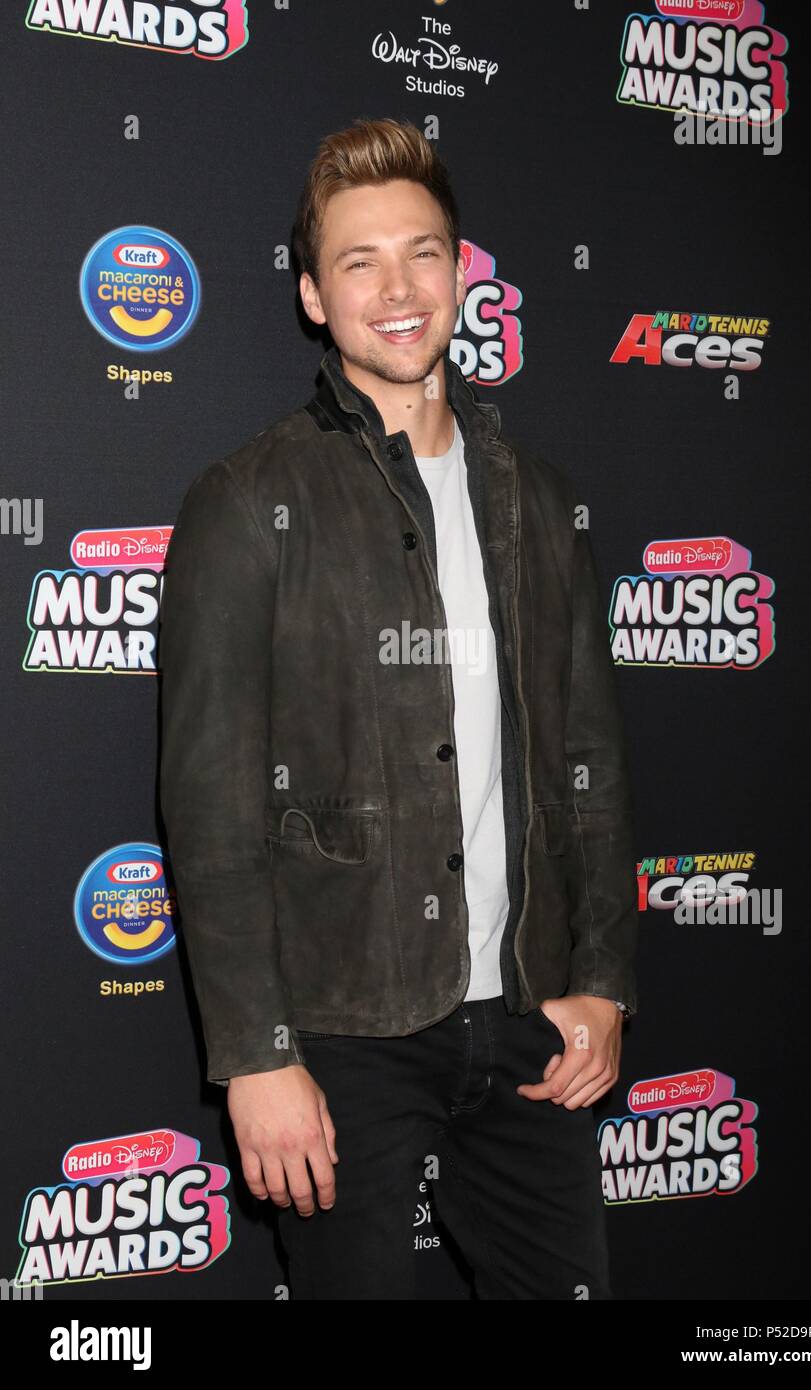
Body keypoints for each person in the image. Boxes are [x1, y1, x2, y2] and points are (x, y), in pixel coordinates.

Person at [158, 117, 639, 1300]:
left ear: (461, 274)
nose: (396, 287)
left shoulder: (537, 498)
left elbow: (585, 753)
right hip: (342, 1031)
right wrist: (257, 1056)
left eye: (421, 252)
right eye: (358, 262)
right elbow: (211, 805)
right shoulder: (246, 500)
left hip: (527, 1015)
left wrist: (606, 979)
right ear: (315, 297)